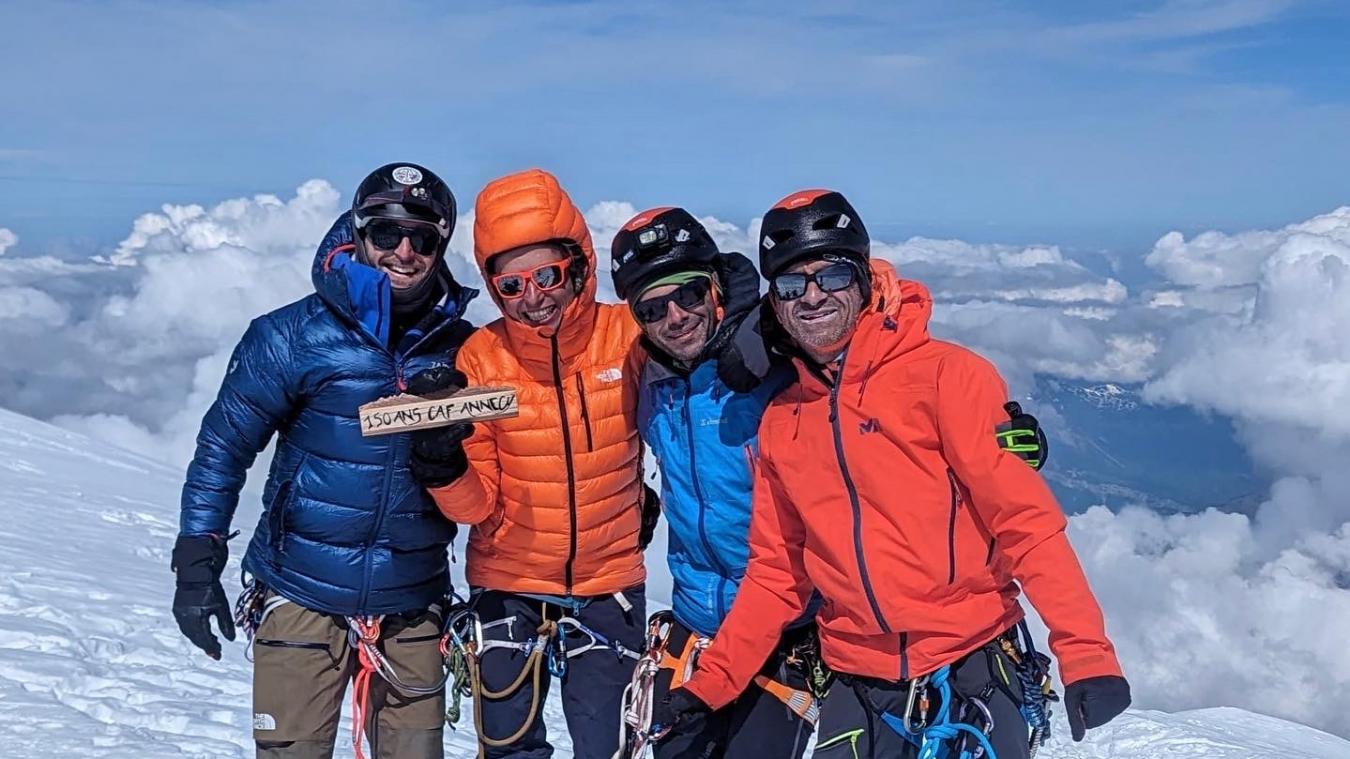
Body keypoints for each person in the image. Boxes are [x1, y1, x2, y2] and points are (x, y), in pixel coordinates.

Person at [661, 189, 1129, 759]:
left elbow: (1027, 526)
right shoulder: (783, 421)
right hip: (856, 677)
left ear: (862, 279)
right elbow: (776, 574)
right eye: (790, 284)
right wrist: (712, 685)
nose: (812, 296)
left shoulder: (948, 379)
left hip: (973, 664)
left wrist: (1087, 657)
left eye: (830, 276)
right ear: (774, 304)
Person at [173, 162, 478, 759]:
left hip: (413, 601)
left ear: (442, 244)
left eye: (424, 236)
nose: (405, 251)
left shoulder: (464, 345)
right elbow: (223, 449)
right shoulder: (288, 335)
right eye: (387, 233)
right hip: (299, 593)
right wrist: (196, 561)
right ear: (359, 233)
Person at [408, 168, 652, 759]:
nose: (534, 297)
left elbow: (699, 340)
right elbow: (479, 504)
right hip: (508, 587)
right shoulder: (482, 355)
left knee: (609, 749)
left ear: (578, 264)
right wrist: (443, 466)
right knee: (510, 752)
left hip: (608, 587)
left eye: (546, 275)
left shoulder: (629, 336)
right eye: (512, 286)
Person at [610, 207, 820, 758]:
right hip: (695, 624)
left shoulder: (778, 362)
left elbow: (867, 330)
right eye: (653, 308)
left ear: (716, 288)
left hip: (784, 631)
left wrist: (991, 429)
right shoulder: (647, 381)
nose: (675, 316)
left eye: (690, 294)